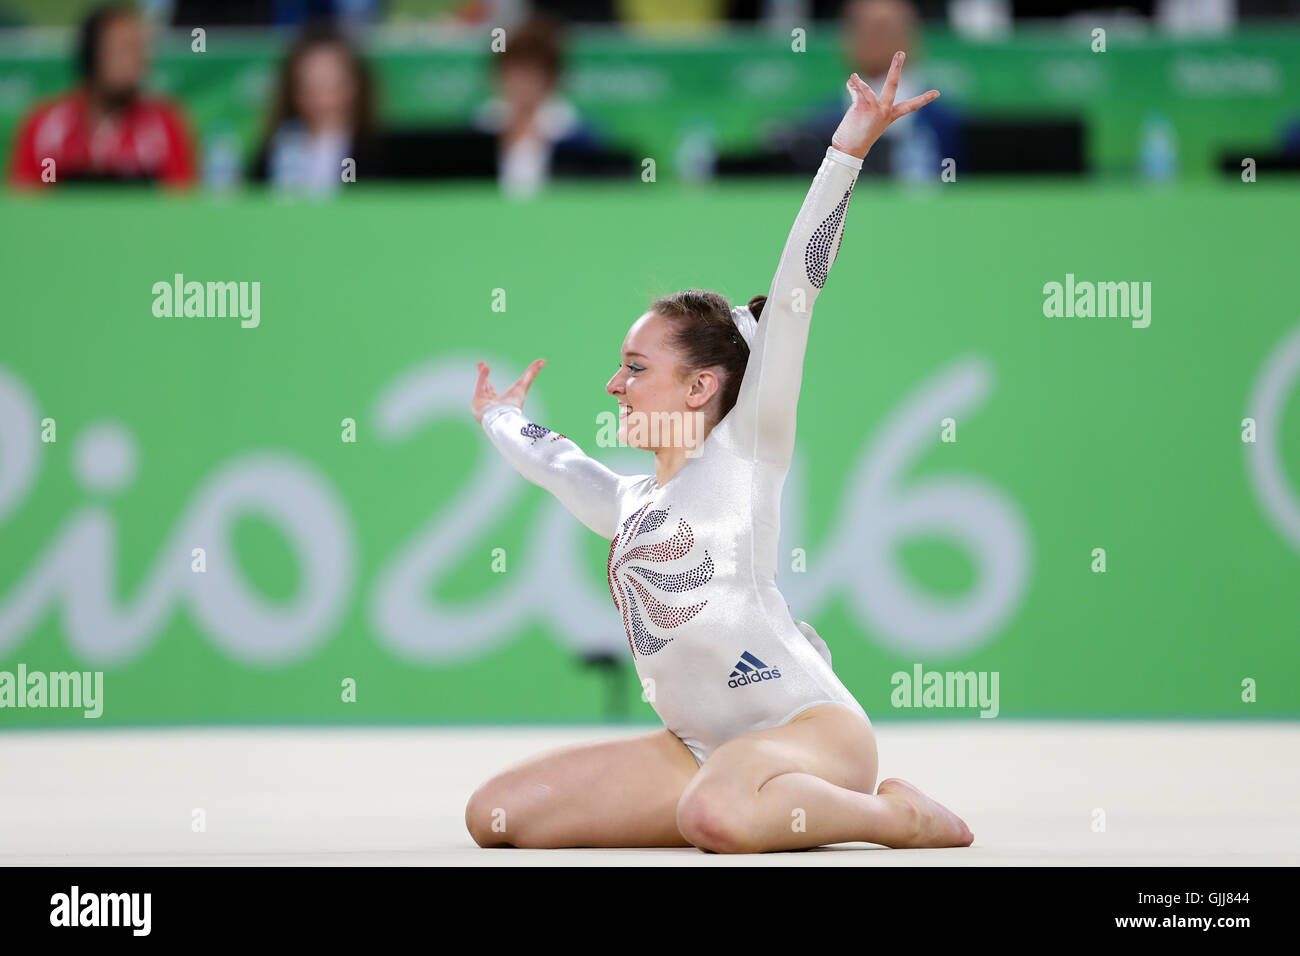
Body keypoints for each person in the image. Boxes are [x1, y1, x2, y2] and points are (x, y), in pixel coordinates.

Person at [466, 54, 974, 852]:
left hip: (809, 730)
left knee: (715, 815)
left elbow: (798, 291)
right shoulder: (631, 505)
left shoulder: (748, 449)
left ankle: (895, 816)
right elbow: (558, 462)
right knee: (495, 815)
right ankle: (739, 798)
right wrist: (500, 420)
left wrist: (848, 148)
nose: (613, 385)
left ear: (702, 387)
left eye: (635, 370)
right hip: (700, 750)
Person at [7, 3, 196, 188]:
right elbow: (26, 203)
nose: (138, 62)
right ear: (92, 54)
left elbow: (179, 204)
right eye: (125, 50)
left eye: (141, 51)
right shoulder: (44, 127)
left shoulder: (165, 125)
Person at [249, 24, 379, 193]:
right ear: (292, 91)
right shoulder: (271, 153)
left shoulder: (382, 155)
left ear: (357, 85)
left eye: (334, 85)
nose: (323, 100)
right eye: (310, 87)